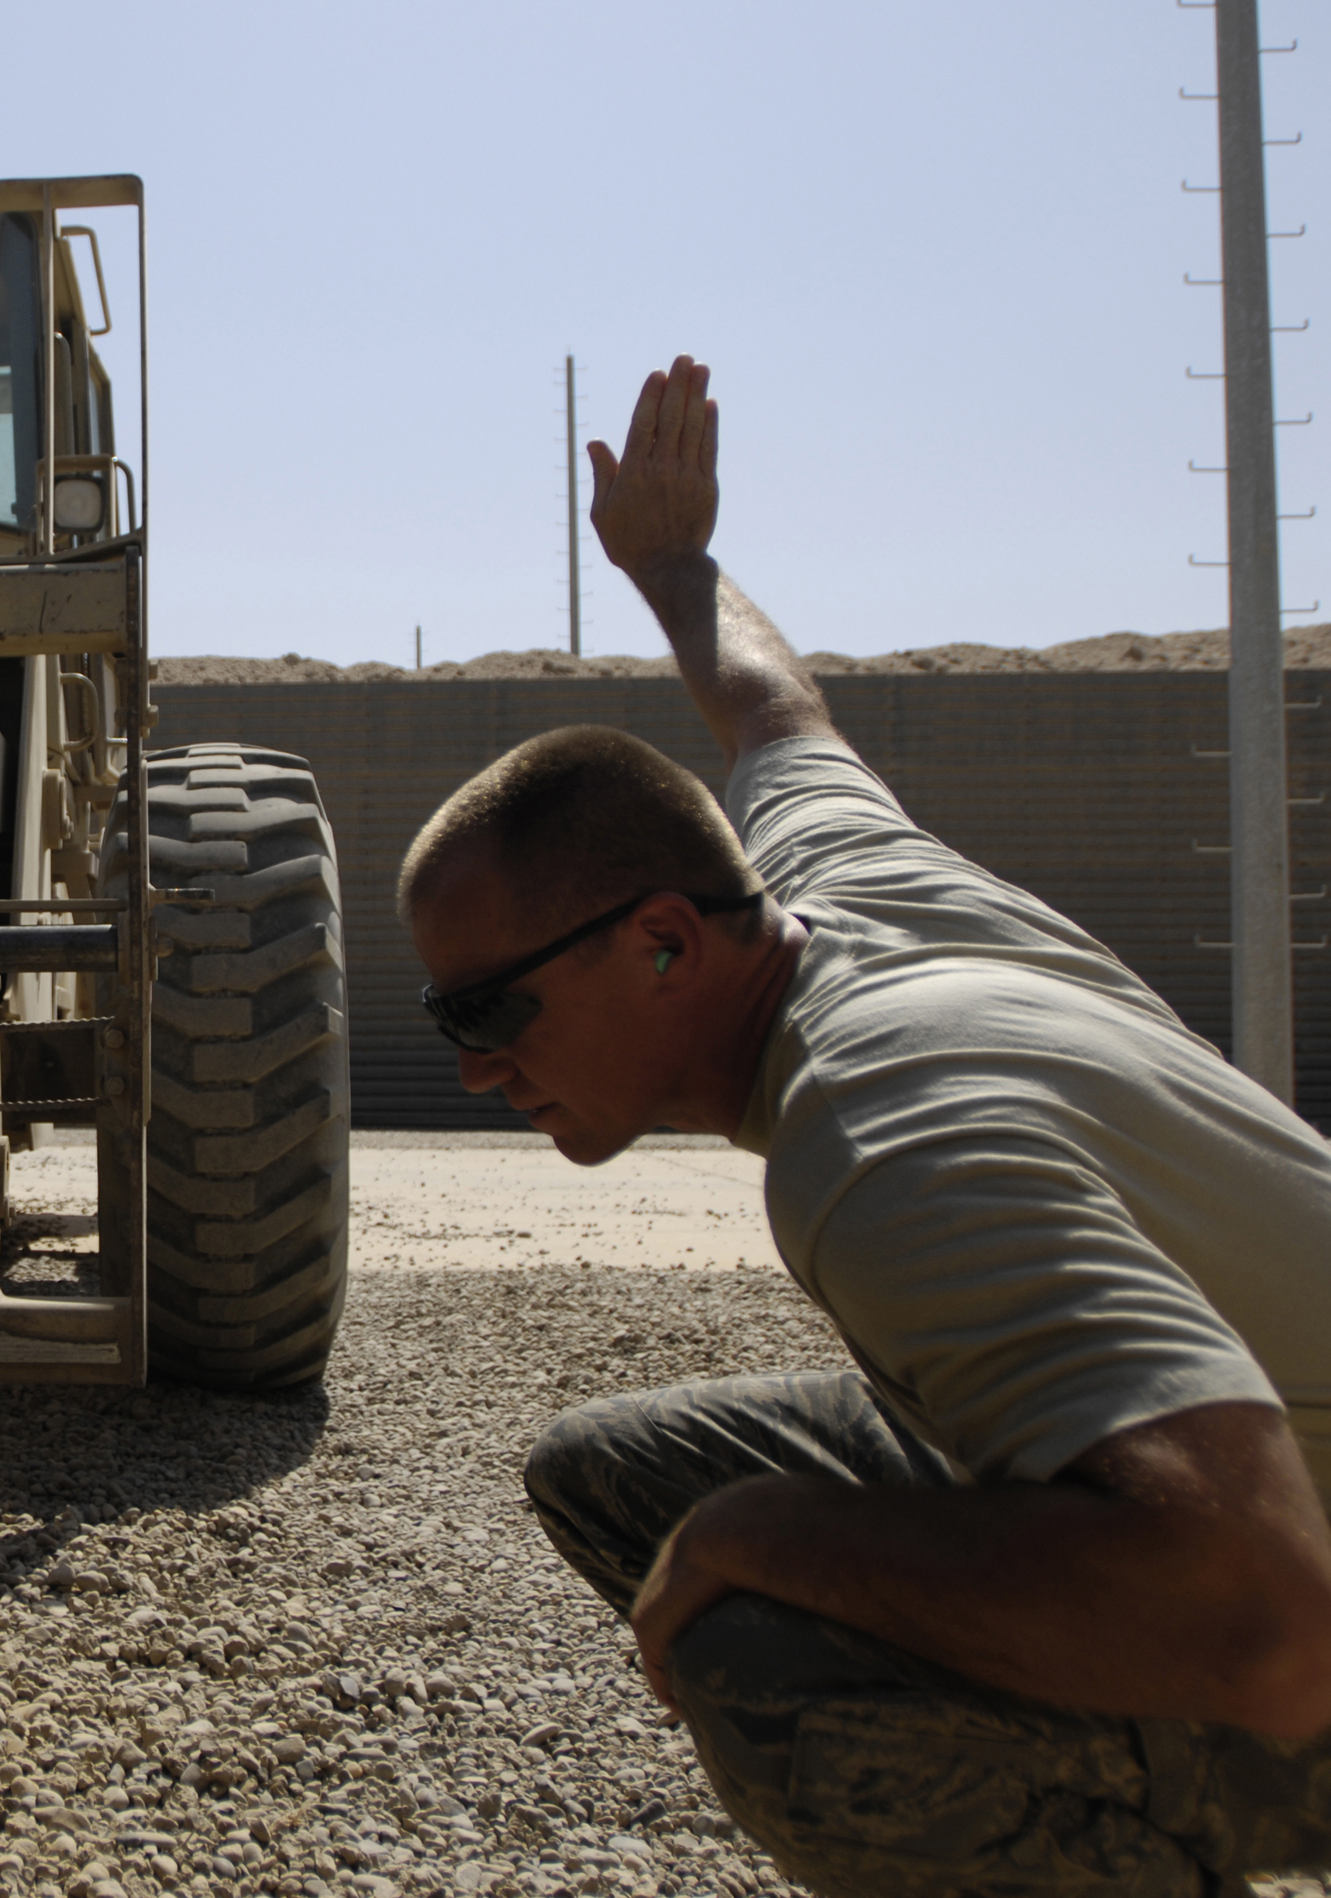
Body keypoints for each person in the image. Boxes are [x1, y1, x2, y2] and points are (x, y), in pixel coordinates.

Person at [396, 355, 1331, 1895]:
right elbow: (771, 710)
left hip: (1289, 1592)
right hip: (1254, 1490)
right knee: (618, 1473)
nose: (475, 1066)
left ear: (660, 943)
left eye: (487, 1012)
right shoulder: (849, 885)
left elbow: (1270, 1624)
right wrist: (675, 566)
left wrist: (773, 1536)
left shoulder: (884, 1140)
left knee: (773, 1665)